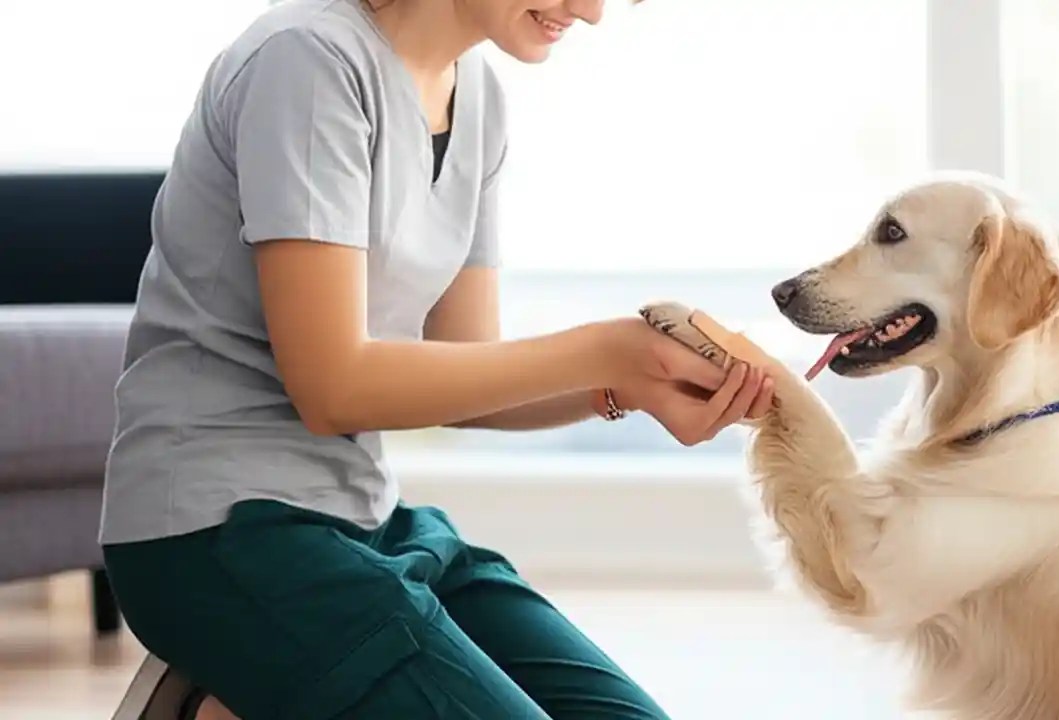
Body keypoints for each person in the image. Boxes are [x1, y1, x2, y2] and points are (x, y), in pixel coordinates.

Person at [100, 0, 774, 718]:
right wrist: (605, 350)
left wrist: (627, 383)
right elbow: (333, 388)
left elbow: (466, 368)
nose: (590, 11)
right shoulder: (307, 62)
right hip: (215, 533)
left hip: (365, 521)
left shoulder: (476, 95)